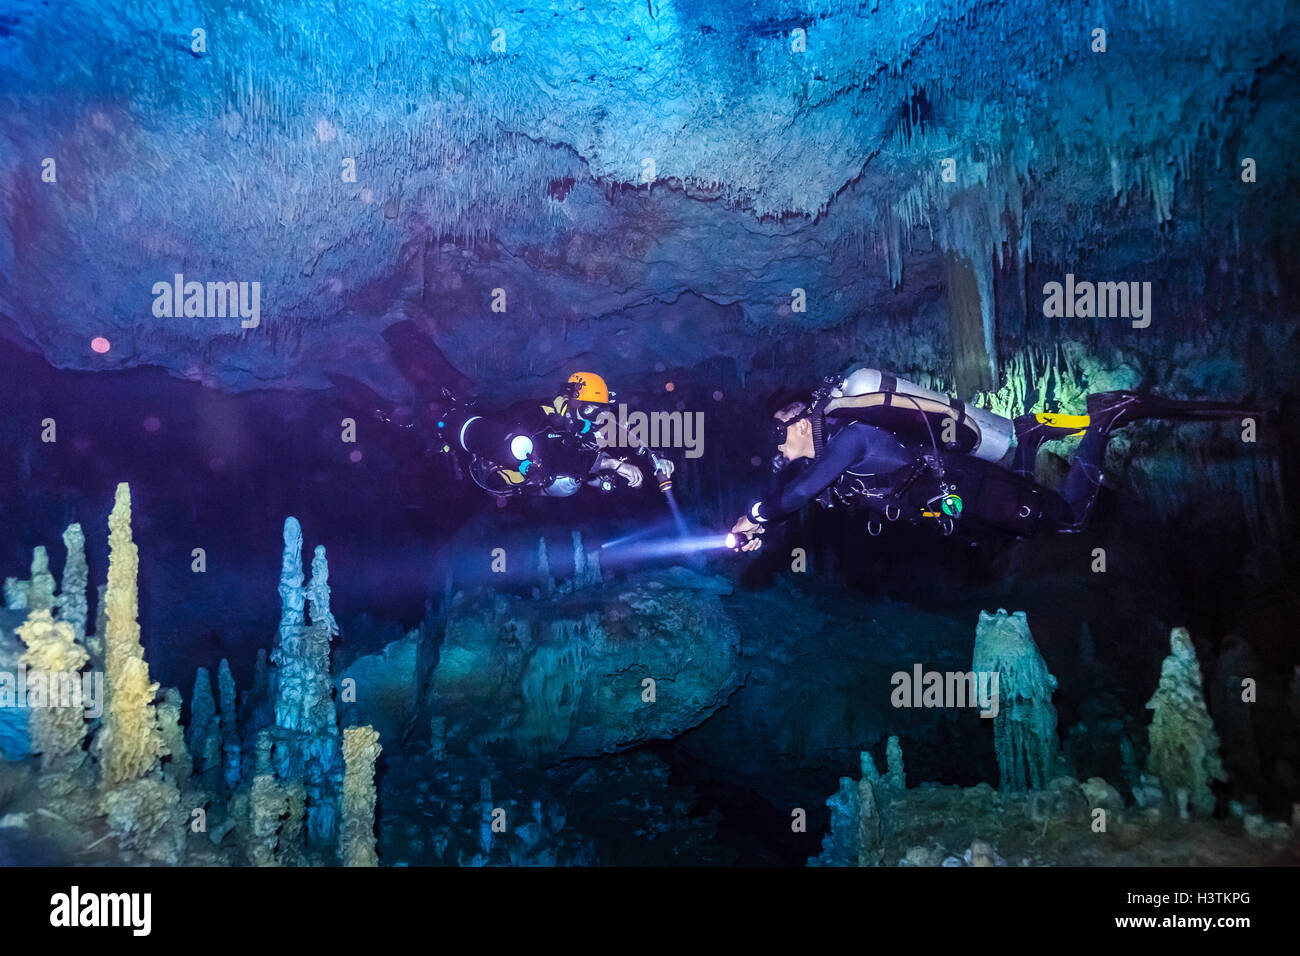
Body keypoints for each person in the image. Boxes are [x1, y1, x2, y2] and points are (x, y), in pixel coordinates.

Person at [729, 369, 1258, 550]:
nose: (778, 453)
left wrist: (754, 516)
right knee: (1018, 532)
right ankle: (1027, 440)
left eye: (777, 440)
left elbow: (794, 495)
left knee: (1069, 522)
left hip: (972, 485)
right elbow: (803, 498)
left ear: (798, 421)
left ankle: (1105, 418)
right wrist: (760, 533)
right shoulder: (835, 467)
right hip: (961, 503)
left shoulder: (852, 438)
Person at [439, 372, 673, 499]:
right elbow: (553, 456)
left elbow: (627, 431)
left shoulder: (585, 424)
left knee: (573, 481)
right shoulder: (539, 415)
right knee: (563, 477)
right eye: (589, 409)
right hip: (495, 473)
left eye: (600, 411)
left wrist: (654, 457)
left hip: (533, 485)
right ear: (573, 401)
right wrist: (612, 464)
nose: (595, 418)